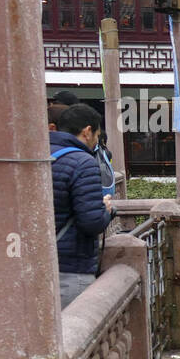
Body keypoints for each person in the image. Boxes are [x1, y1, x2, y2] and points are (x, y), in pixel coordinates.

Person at [51, 103, 114, 307]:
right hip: (71, 268)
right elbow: (91, 222)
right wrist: (106, 211)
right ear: (87, 132)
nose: (96, 141)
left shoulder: (36, 157)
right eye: (96, 135)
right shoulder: (83, 162)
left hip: (34, 264)